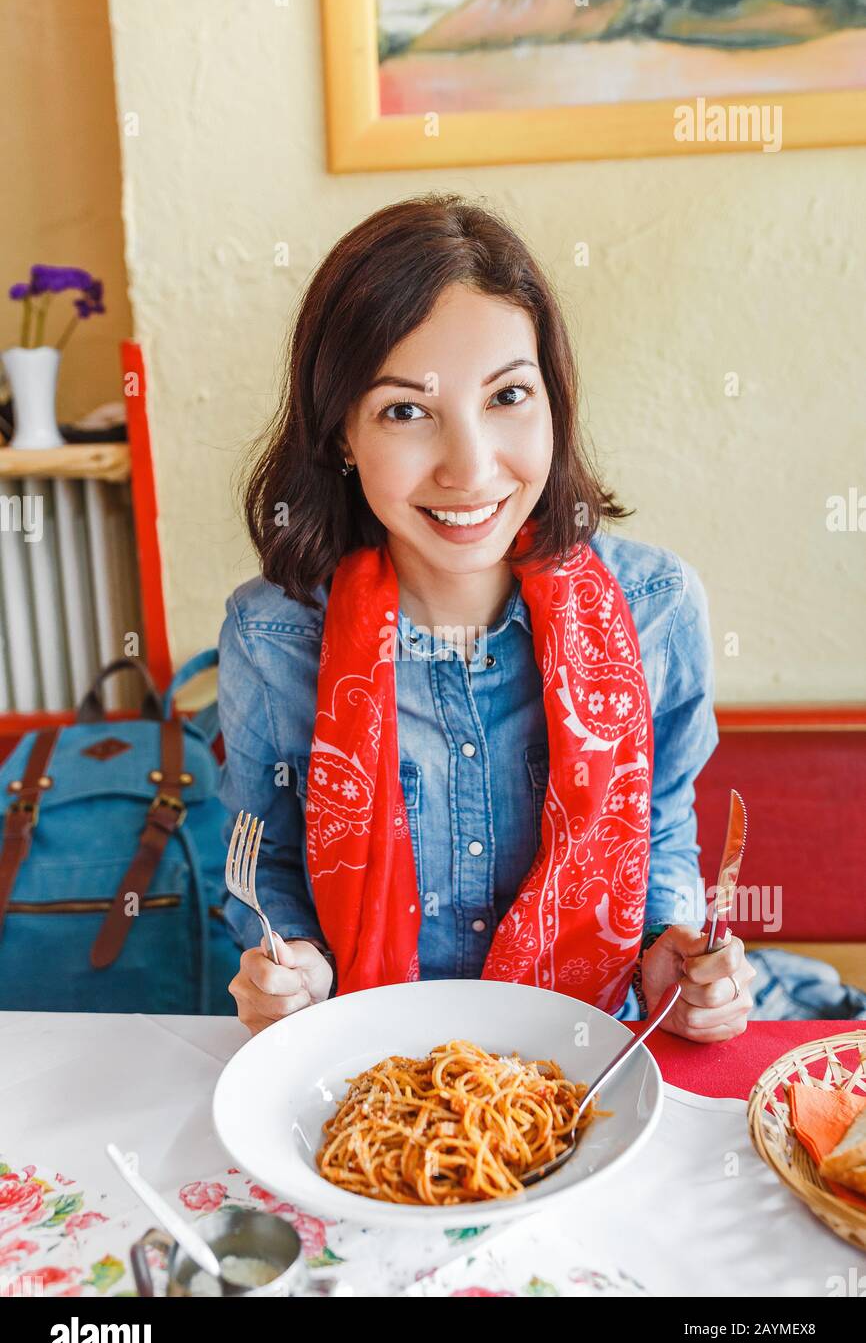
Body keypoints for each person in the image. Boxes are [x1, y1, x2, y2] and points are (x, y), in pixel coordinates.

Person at [218, 193, 755, 1040]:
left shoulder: (658, 610)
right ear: (342, 437)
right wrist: (292, 967)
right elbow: (269, 865)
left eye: (507, 396)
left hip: (587, 1069)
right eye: (406, 411)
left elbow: (661, 834)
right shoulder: (274, 637)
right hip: (367, 1071)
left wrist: (668, 952)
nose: (470, 469)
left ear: (555, 402)